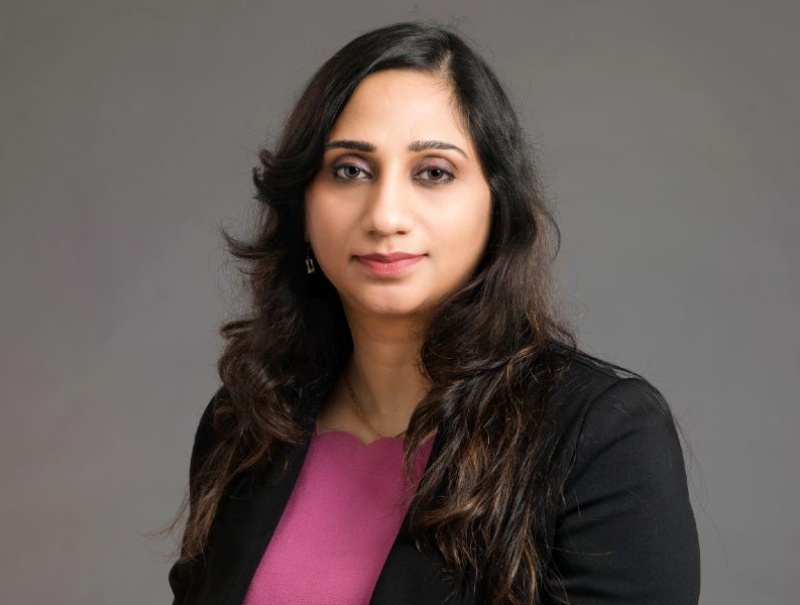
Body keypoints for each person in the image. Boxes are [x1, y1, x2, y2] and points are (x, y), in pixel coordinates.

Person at [168, 22, 700, 605]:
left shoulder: (602, 436)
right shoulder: (248, 423)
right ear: (303, 205)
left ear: (497, 205)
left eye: (434, 173)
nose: (386, 216)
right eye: (349, 170)